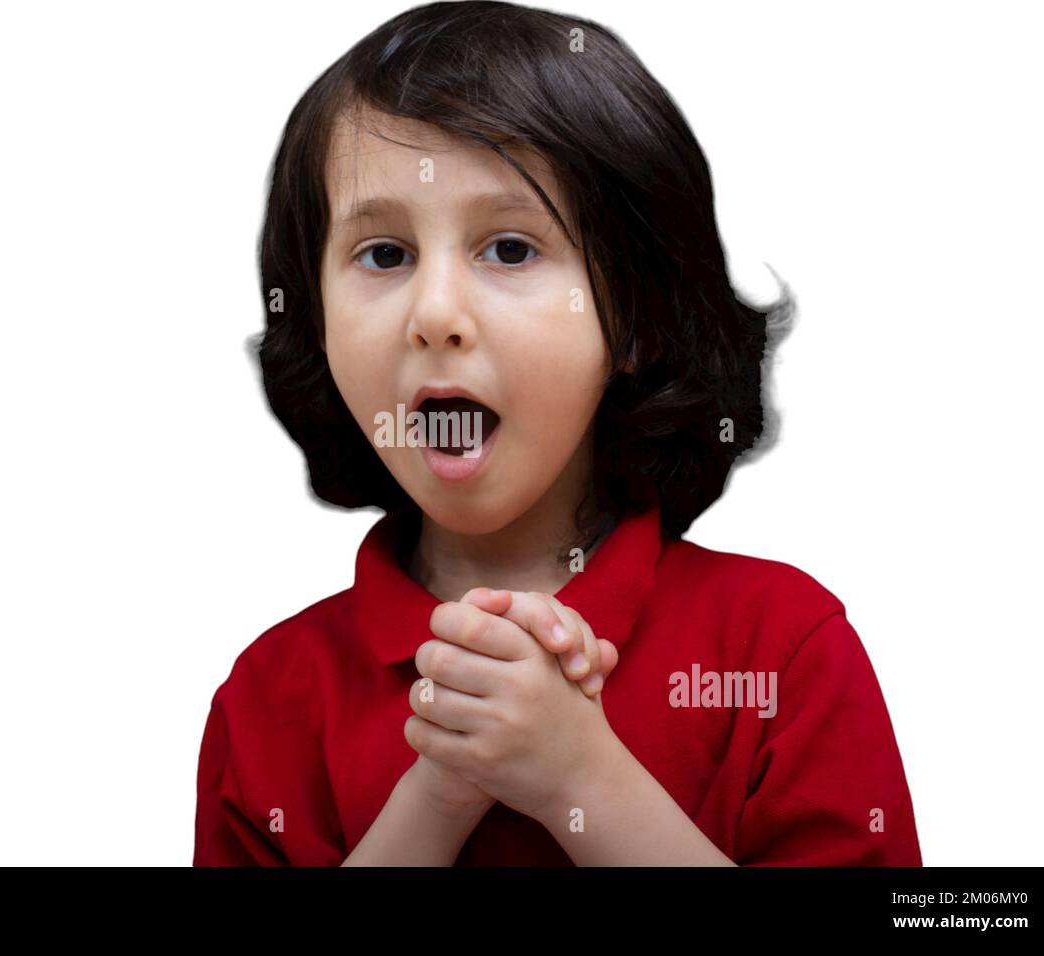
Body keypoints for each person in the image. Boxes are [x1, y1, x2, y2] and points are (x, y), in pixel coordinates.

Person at [194, 0, 921, 866]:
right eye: (384, 255)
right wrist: (442, 787)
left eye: (508, 249)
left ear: (639, 317)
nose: (435, 314)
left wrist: (580, 777)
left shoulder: (783, 648)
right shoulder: (268, 700)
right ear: (314, 319)